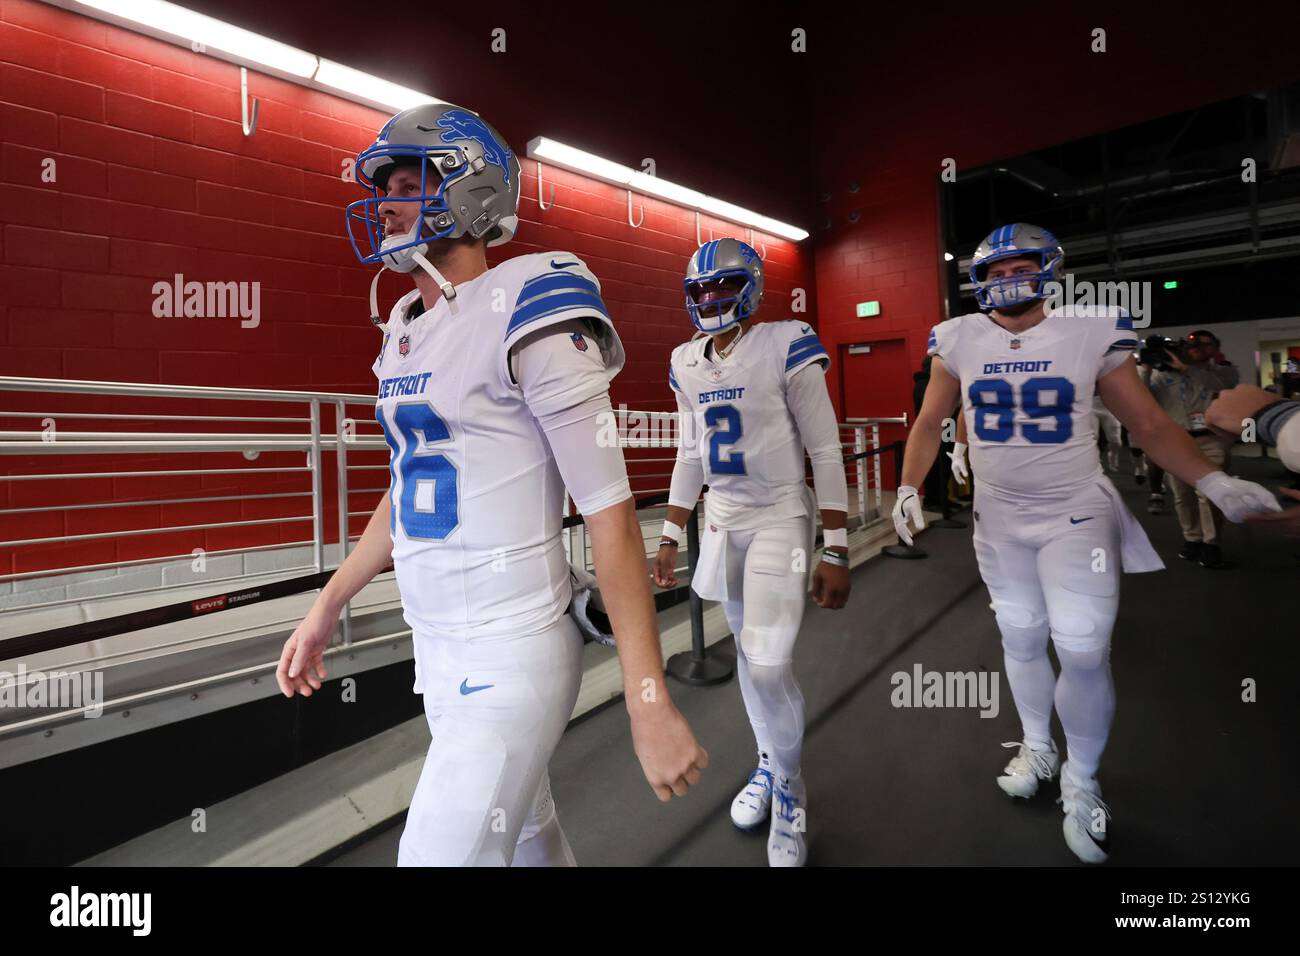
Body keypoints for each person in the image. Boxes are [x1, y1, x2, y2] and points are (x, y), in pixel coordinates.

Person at [275, 102, 707, 866]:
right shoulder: (406, 327)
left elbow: (608, 514)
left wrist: (648, 697)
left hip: (512, 650)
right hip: (436, 648)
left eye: (409, 180)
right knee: (530, 838)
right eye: (387, 185)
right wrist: (327, 605)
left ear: (470, 189)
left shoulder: (530, 306)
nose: (387, 201)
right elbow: (405, 488)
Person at [892, 223, 1280, 863]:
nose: (1004, 281)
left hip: (1073, 513)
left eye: (1018, 267)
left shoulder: (1088, 330)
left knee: (1080, 648)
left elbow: (1148, 422)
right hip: (998, 517)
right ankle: (1039, 746)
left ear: (1047, 271)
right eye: (992, 272)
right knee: (1019, 635)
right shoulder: (957, 336)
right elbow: (931, 418)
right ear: (977, 281)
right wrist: (910, 486)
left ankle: (1082, 779)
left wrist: (1212, 479)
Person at [652, 238, 851, 866]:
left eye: (724, 287)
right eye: (702, 290)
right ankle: (770, 764)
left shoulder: (785, 343)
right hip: (724, 519)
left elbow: (824, 448)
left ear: (752, 287)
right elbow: (691, 453)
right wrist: (667, 530)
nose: (712, 299)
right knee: (746, 652)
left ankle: (791, 790)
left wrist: (838, 545)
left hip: (779, 515)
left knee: (768, 664)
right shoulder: (686, 361)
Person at [1147, 332, 1239, 568]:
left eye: (1204, 344)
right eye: (1192, 344)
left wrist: (1187, 369)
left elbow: (1221, 386)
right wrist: (1147, 367)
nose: (1197, 347)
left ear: (1216, 347)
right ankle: (1192, 539)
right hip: (1176, 441)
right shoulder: (1162, 373)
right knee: (1182, 495)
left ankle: (1211, 544)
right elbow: (1143, 396)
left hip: (1210, 441)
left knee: (1209, 494)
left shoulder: (1223, 371)